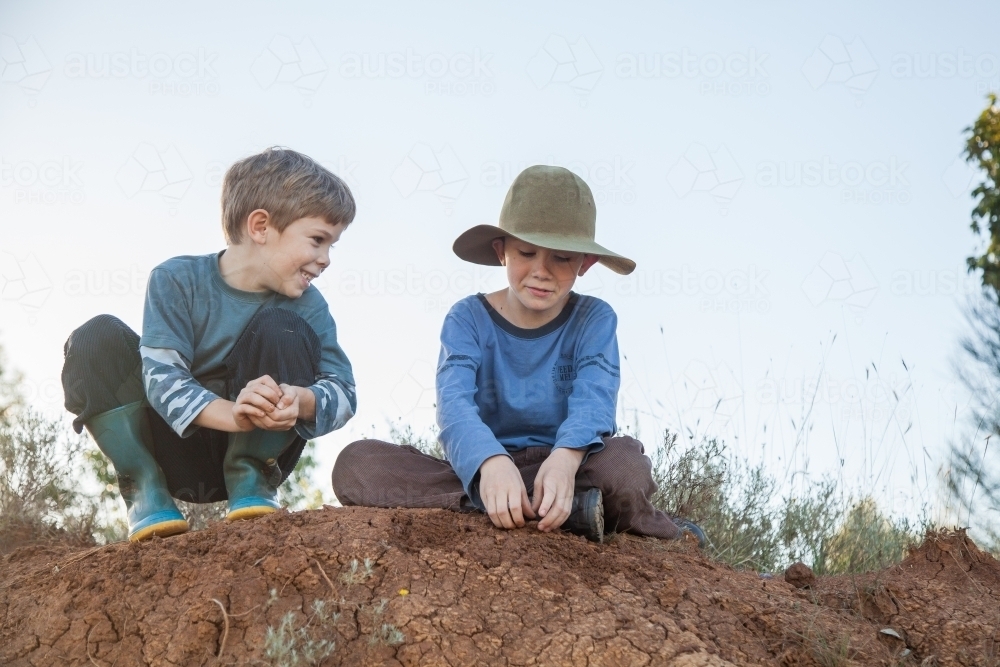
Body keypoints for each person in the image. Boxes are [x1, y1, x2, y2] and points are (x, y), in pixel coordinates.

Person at [333, 165, 705, 545]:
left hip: (573, 465)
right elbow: (454, 405)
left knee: (625, 468)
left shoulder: (595, 318)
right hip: (486, 465)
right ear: (502, 252)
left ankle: (521, 505)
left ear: (585, 263)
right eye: (526, 252)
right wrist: (490, 464)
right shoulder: (468, 317)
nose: (541, 271)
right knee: (358, 465)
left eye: (561, 258)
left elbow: (595, 398)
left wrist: (565, 458)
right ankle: (562, 508)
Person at [61, 147, 357, 542]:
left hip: (261, 444)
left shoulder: (308, 306)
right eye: (318, 240)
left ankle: (249, 478)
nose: (326, 259)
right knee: (95, 336)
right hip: (176, 448)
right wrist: (237, 413)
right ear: (261, 226)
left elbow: (345, 392)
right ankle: (145, 488)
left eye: (331, 246)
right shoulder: (176, 280)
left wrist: (298, 400)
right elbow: (162, 378)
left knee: (282, 328)